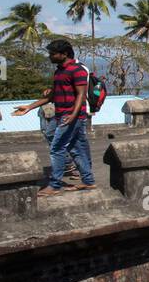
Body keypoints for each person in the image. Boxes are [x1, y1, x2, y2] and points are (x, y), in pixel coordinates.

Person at [13, 39, 96, 196]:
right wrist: (29, 107)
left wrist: (73, 115)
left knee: (57, 148)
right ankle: (88, 181)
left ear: (64, 54)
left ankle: (55, 185)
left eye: (53, 53)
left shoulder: (77, 70)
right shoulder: (59, 71)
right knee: (75, 148)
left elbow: (81, 95)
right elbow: (52, 96)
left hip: (71, 115)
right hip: (62, 114)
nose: (50, 56)